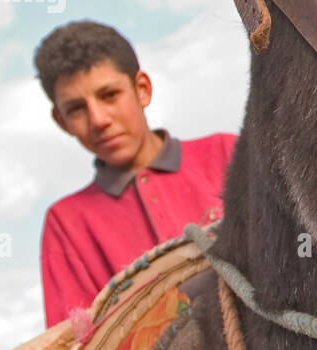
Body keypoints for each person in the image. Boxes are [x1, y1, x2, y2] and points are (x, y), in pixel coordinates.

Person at [34, 20, 236, 328]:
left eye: (110, 94)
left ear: (142, 89)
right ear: (61, 121)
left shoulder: (226, 153)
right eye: (76, 109)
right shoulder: (66, 223)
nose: (99, 119)